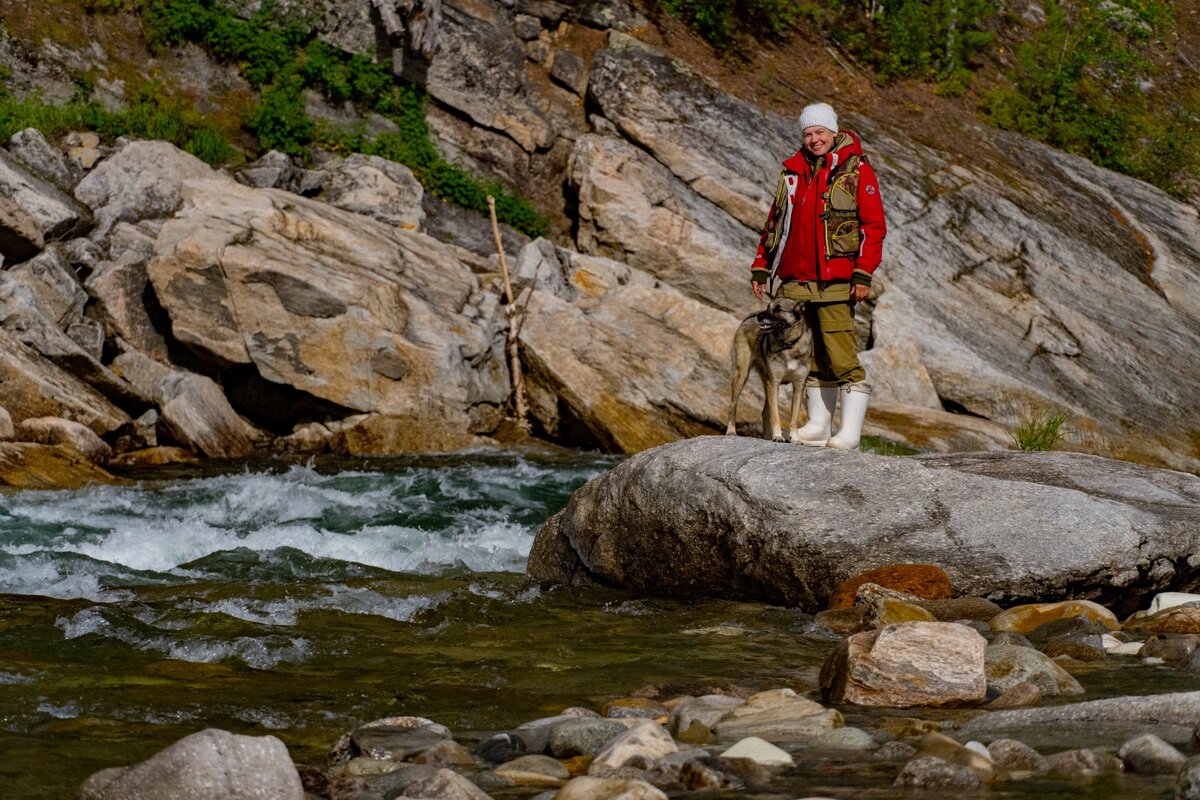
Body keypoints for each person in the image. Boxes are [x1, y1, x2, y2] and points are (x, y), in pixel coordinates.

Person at [749, 102, 887, 450]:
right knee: (806, 353)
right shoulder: (791, 173)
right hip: (794, 282)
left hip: (837, 280)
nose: (814, 139)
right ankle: (818, 425)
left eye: (820, 132)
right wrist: (762, 266)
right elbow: (774, 223)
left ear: (833, 131)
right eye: (808, 134)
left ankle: (850, 434)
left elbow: (874, 226)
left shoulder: (857, 170)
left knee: (840, 353)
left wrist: (863, 273)